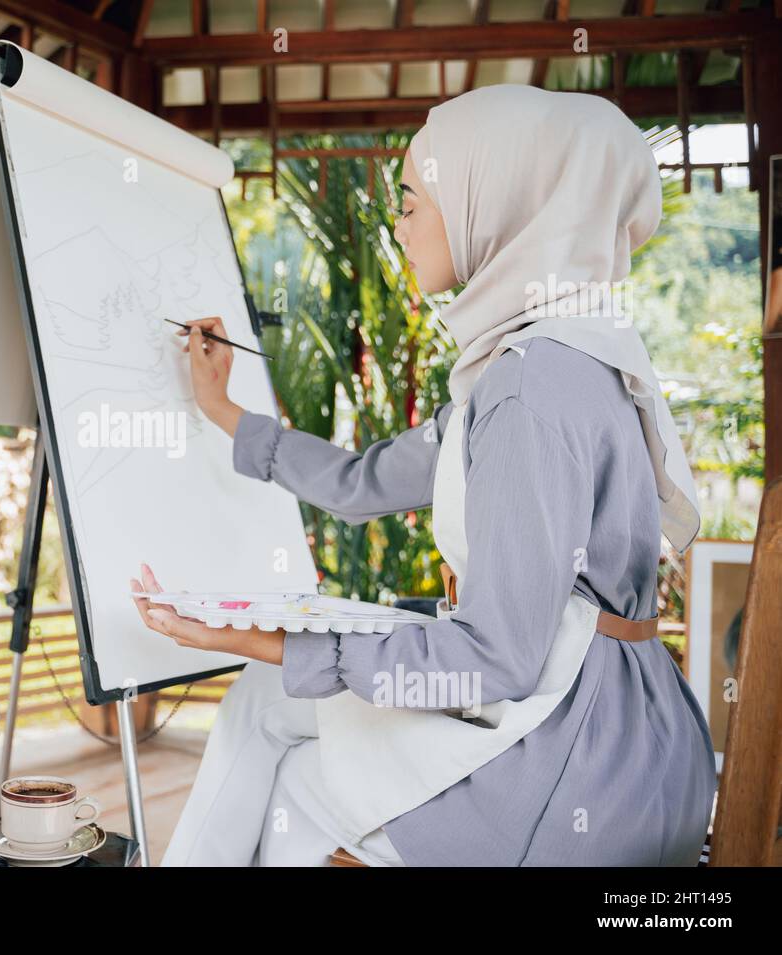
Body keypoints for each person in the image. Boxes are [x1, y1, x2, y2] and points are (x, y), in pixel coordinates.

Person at [129, 84, 718, 867]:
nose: (397, 225)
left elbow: (496, 660)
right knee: (263, 706)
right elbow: (361, 483)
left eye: (413, 201)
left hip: (578, 765)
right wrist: (224, 410)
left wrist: (274, 642)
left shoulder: (527, 389)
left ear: (493, 203)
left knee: (295, 784)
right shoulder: (571, 353)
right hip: (638, 735)